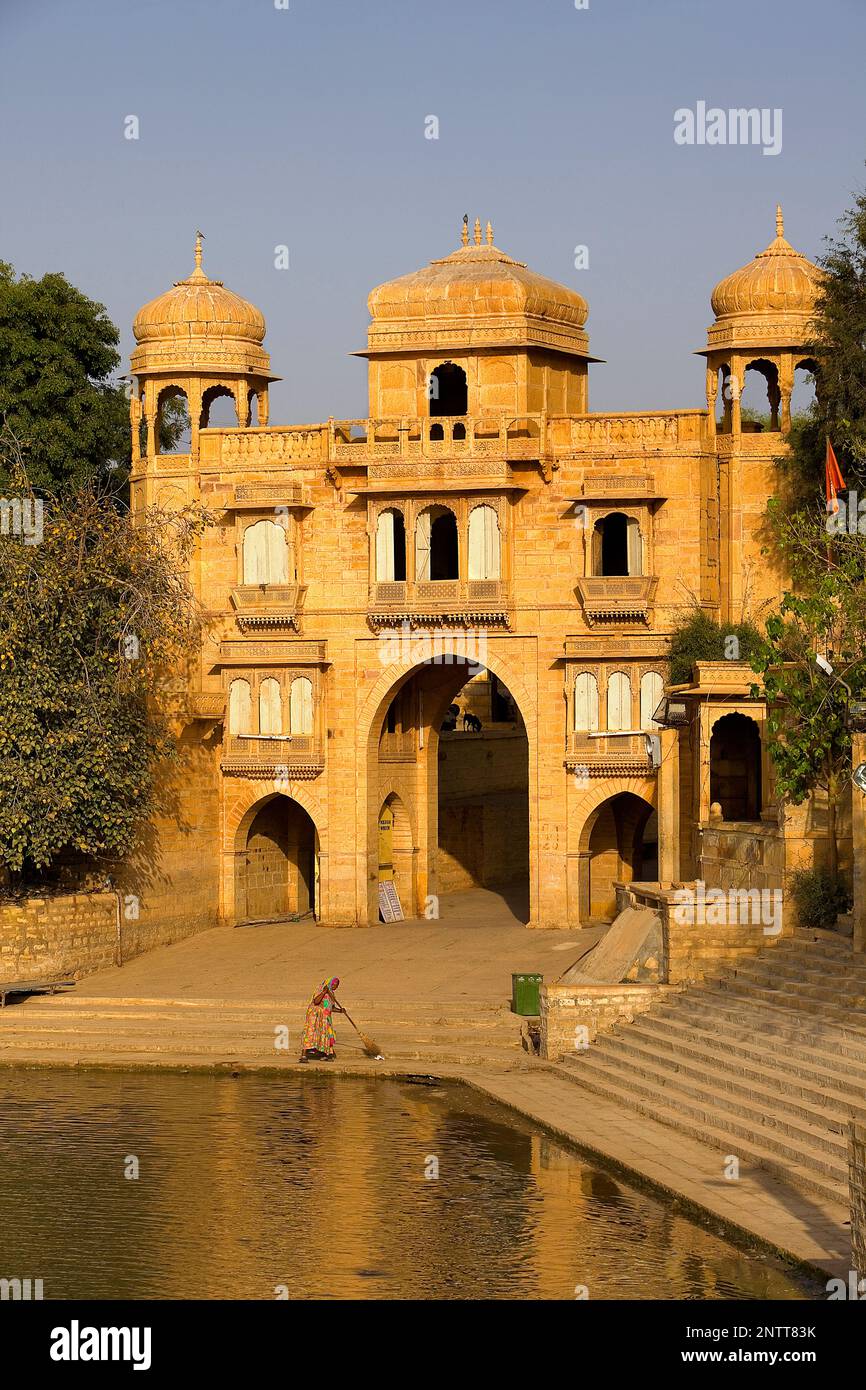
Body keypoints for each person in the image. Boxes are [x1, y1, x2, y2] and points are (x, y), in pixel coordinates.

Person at [299, 976, 343, 1062]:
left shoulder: (331, 994)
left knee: (324, 1034)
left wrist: (340, 1010)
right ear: (330, 984)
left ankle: (324, 1054)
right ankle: (304, 1055)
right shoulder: (320, 990)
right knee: (310, 1033)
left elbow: (331, 1007)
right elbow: (316, 1001)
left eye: (337, 985)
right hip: (314, 1016)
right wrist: (323, 992)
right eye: (334, 985)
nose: (336, 987)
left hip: (325, 1017)